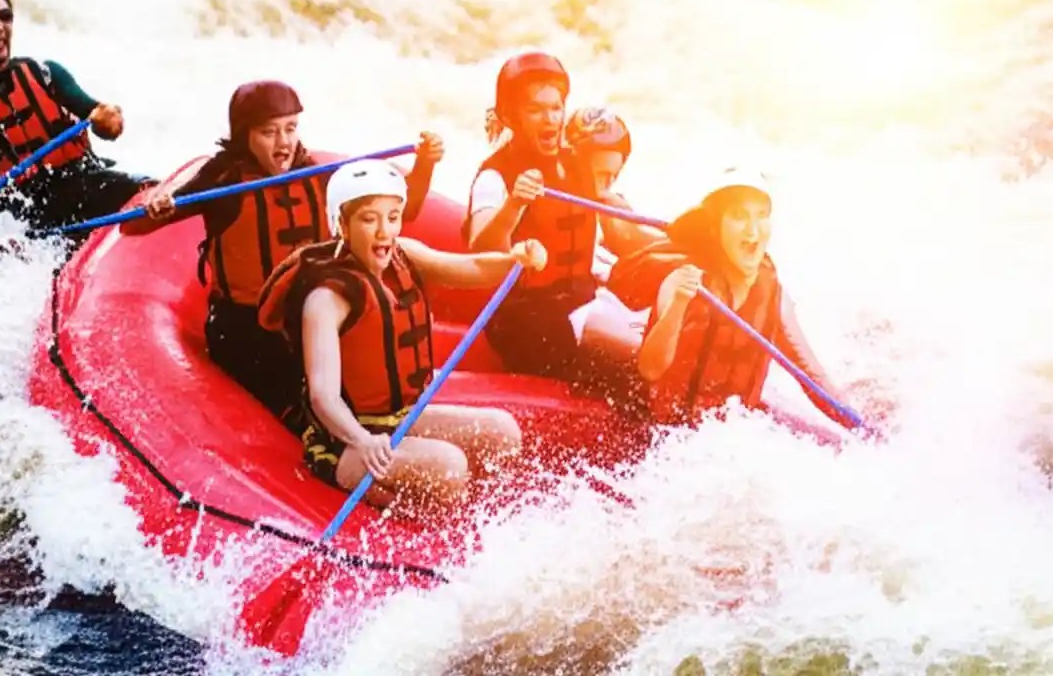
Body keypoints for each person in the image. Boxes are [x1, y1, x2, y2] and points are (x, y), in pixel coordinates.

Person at [132, 80, 445, 424]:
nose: (283, 143)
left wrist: (426, 165)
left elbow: (408, 209)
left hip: (304, 319)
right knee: (304, 410)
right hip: (245, 328)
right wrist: (158, 202)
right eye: (269, 132)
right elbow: (134, 226)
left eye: (290, 129)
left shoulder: (314, 173)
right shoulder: (223, 179)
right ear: (244, 134)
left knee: (365, 393)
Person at [256, 159, 545, 507]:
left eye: (392, 217)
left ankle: (463, 509)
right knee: (449, 465)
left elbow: (472, 268)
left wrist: (516, 258)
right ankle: (369, 491)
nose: (384, 232)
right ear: (342, 224)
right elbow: (323, 397)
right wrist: (361, 439)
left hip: (401, 420)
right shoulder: (327, 297)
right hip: (347, 442)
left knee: (504, 432)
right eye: (369, 219)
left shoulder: (404, 254)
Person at [463, 52, 659, 395]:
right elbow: (480, 250)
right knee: (645, 369)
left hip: (582, 305)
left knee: (663, 335)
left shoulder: (577, 162)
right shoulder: (495, 176)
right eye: (535, 110)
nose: (550, 120)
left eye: (556, 108)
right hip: (528, 325)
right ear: (510, 115)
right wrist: (515, 204)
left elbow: (619, 235)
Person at [607, 167, 858, 433]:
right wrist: (678, 305)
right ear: (716, 229)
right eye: (739, 217)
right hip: (665, 431)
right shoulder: (685, 279)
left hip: (729, 435)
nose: (753, 231)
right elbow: (651, 368)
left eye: (761, 216)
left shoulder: (772, 293)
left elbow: (812, 376)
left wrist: (859, 427)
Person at [0, 0, 153, 236]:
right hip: (24, 218)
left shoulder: (46, 74)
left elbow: (106, 123)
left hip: (85, 185)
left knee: (148, 190)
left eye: (5, 16)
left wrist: (109, 119)